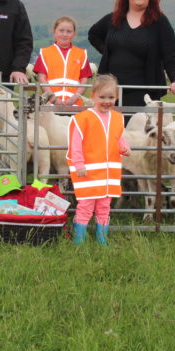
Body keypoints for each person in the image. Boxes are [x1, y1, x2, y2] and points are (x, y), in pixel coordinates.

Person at [88, 0, 175, 109]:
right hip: (110, 93)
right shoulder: (113, 19)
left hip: (143, 93)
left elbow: (170, 54)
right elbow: (93, 34)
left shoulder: (160, 22)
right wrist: (108, 52)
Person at [66, 75, 131, 245]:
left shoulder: (117, 118)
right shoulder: (83, 119)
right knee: (86, 206)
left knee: (104, 207)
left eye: (111, 97)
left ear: (116, 97)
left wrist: (124, 147)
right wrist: (78, 164)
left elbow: (117, 138)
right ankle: (79, 241)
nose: (107, 101)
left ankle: (102, 240)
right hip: (87, 173)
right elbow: (75, 144)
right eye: (102, 97)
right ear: (93, 96)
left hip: (108, 175)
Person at [33, 16, 92, 105]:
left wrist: (73, 99)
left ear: (74, 33)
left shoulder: (81, 54)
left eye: (69, 31)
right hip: (50, 105)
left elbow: (84, 80)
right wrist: (54, 99)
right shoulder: (45, 53)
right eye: (61, 30)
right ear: (54, 31)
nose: (65, 34)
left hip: (74, 105)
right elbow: (41, 78)